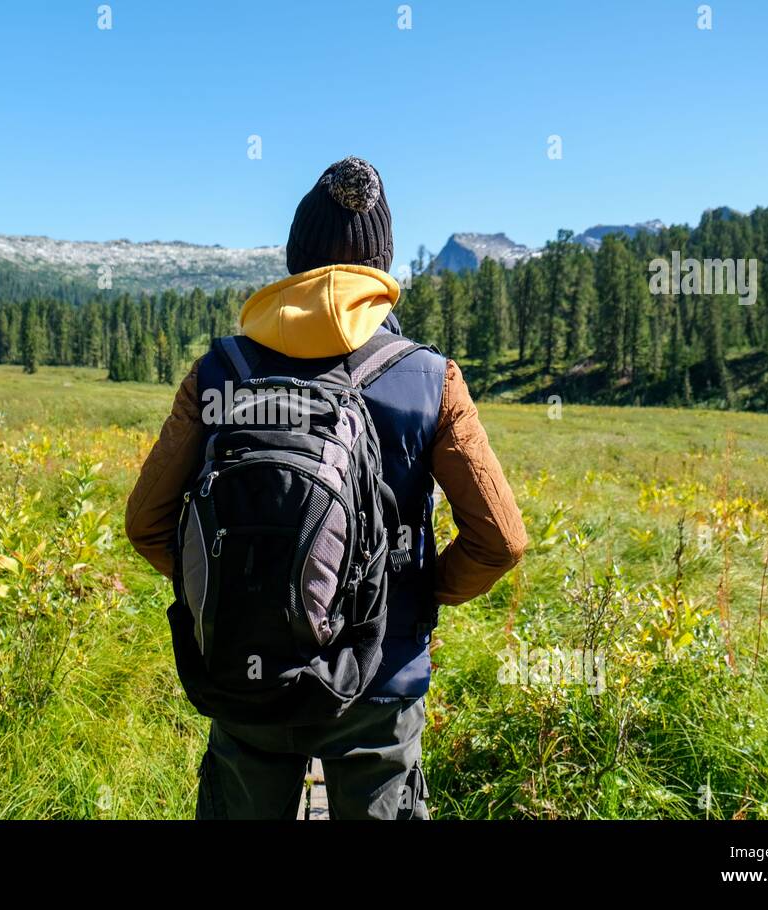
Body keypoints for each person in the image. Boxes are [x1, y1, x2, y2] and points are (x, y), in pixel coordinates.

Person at [125, 156, 528, 819]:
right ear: (382, 265)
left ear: (295, 260)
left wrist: (236, 588)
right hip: (381, 677)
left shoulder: (220, 372)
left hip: (248, 667)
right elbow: (501, 542)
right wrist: (413, 597)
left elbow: (147, 525)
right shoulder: (431, 378)